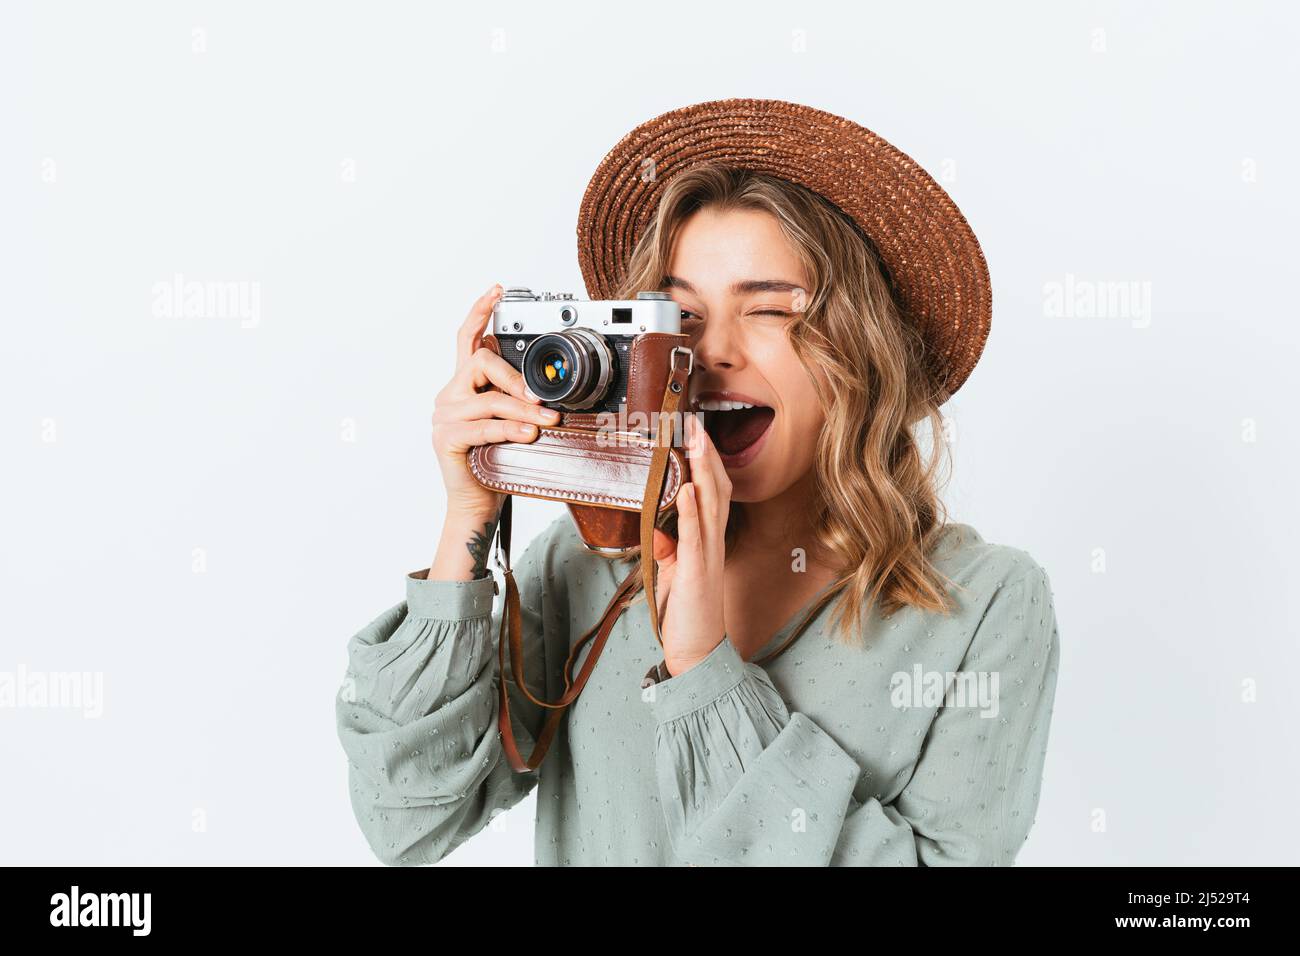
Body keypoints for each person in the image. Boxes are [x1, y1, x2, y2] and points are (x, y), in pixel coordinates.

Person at [335, 99, 1061, 867]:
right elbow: (407, 820)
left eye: (771, 311)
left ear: (862, 348)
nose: (708, 353)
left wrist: (704, 666)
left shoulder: (982, 603)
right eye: (678, 313)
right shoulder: (590, 562)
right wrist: (469, 523)